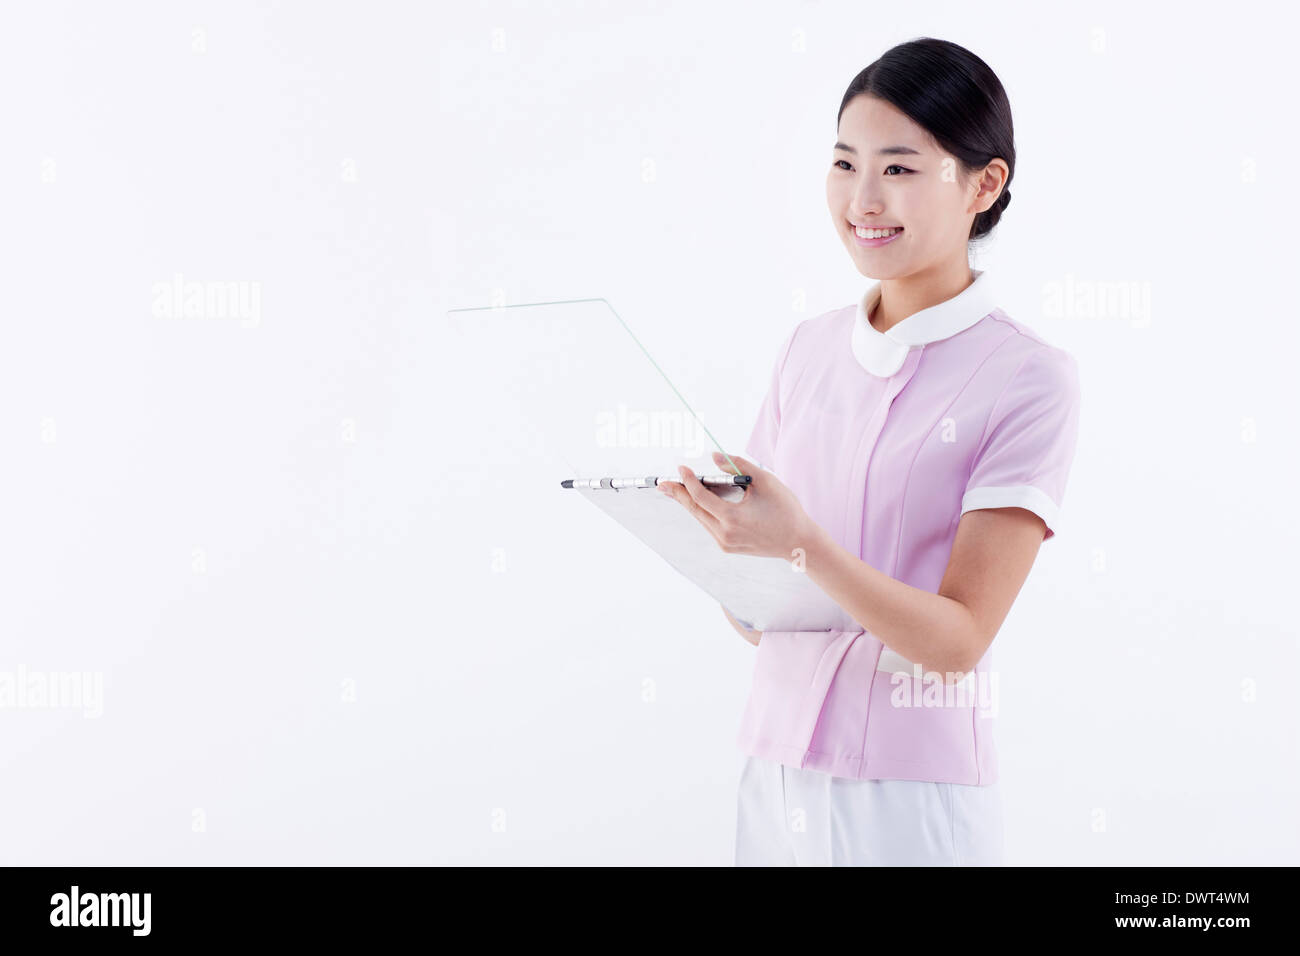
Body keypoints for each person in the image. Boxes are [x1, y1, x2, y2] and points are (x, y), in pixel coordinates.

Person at [659, 37, 1081, 866]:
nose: (862, 199)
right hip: (774, 770)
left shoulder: (1028, 379)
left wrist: (800, 547)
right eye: (844, 163)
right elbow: (761, 618)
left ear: (984, 183)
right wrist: (716, 547)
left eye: (898, 168)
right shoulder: (807, 351)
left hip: (908, 794)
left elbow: (959, 641)